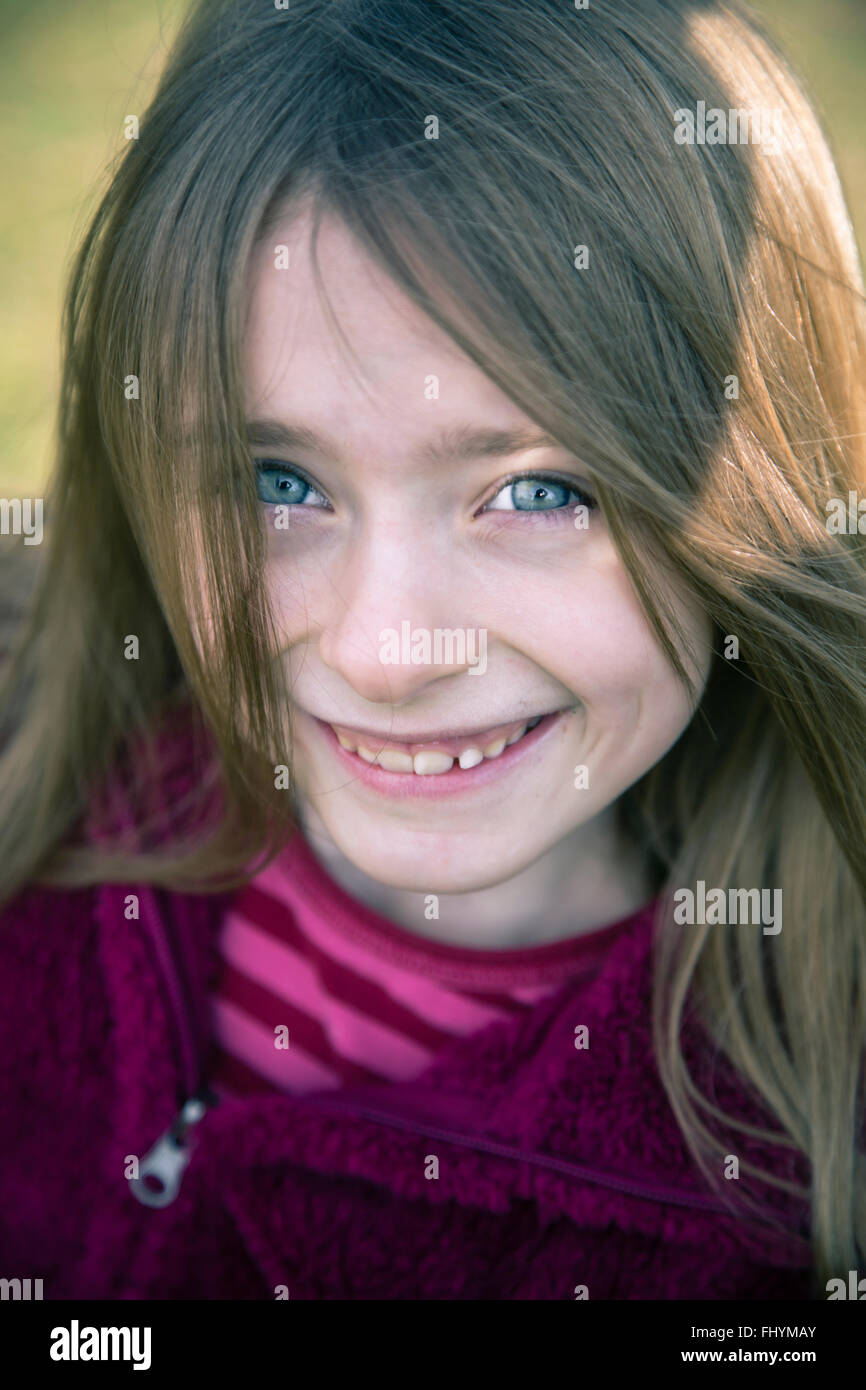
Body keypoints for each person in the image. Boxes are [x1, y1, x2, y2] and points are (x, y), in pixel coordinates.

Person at [1, 0, 864, 1299]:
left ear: (758, 501)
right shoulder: (30, 807)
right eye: (270, 480)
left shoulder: (800, 1167)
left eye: (538, 490)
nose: (387, 648)